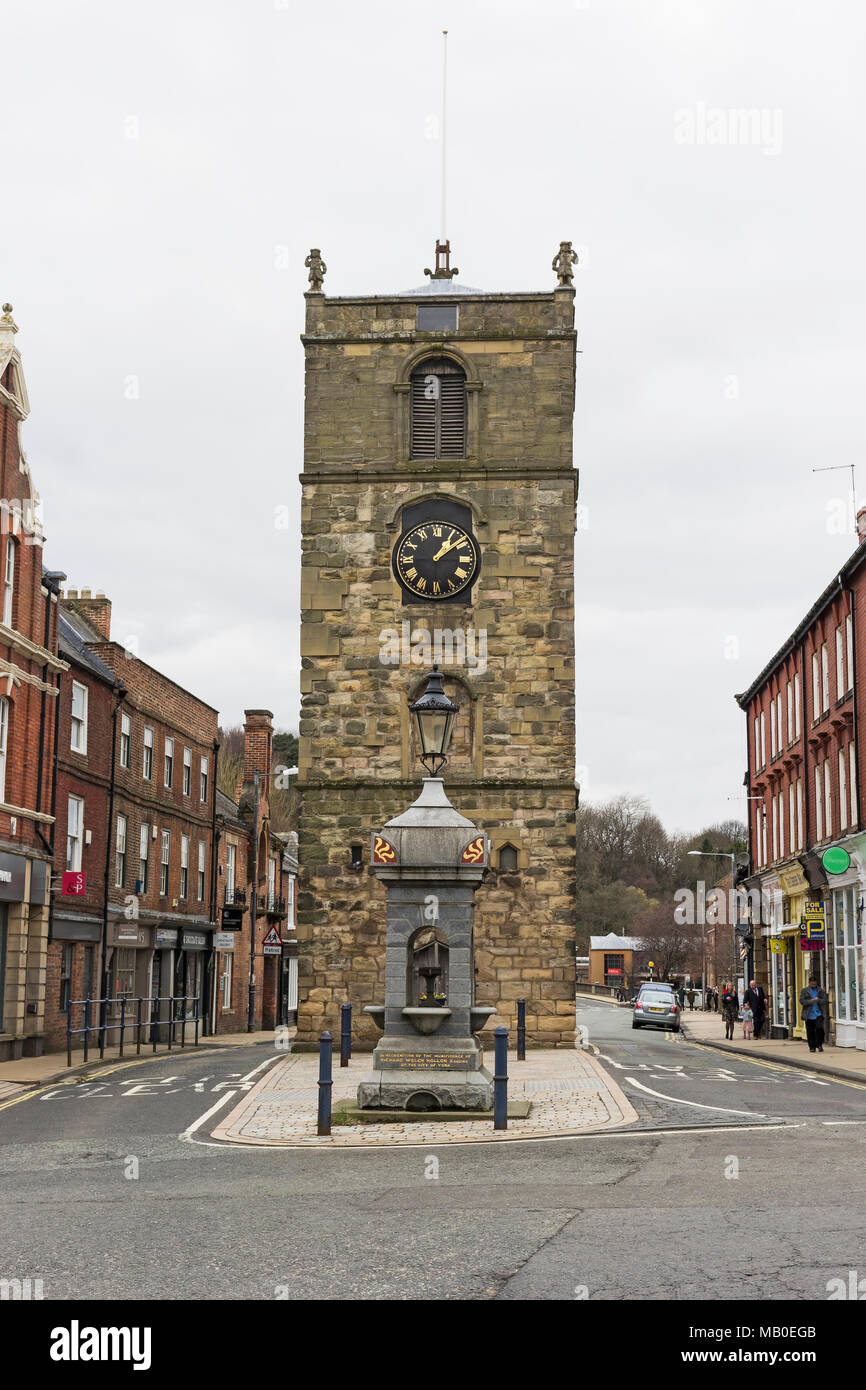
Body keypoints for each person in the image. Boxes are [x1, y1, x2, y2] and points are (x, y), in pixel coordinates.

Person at [799, 976, 829, 1053]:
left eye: (814, 984)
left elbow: (825, 1001)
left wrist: (819, 1000)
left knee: (820, 1030)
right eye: (812, 984)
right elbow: (802, 1001)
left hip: (818, 1014)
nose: (813, 985)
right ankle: (812, 1047)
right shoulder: (804, 991)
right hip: (808, 1015)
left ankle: (819, 1045)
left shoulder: (820, 990)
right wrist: (811, 1001)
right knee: (810, 1032)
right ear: (809, 983)